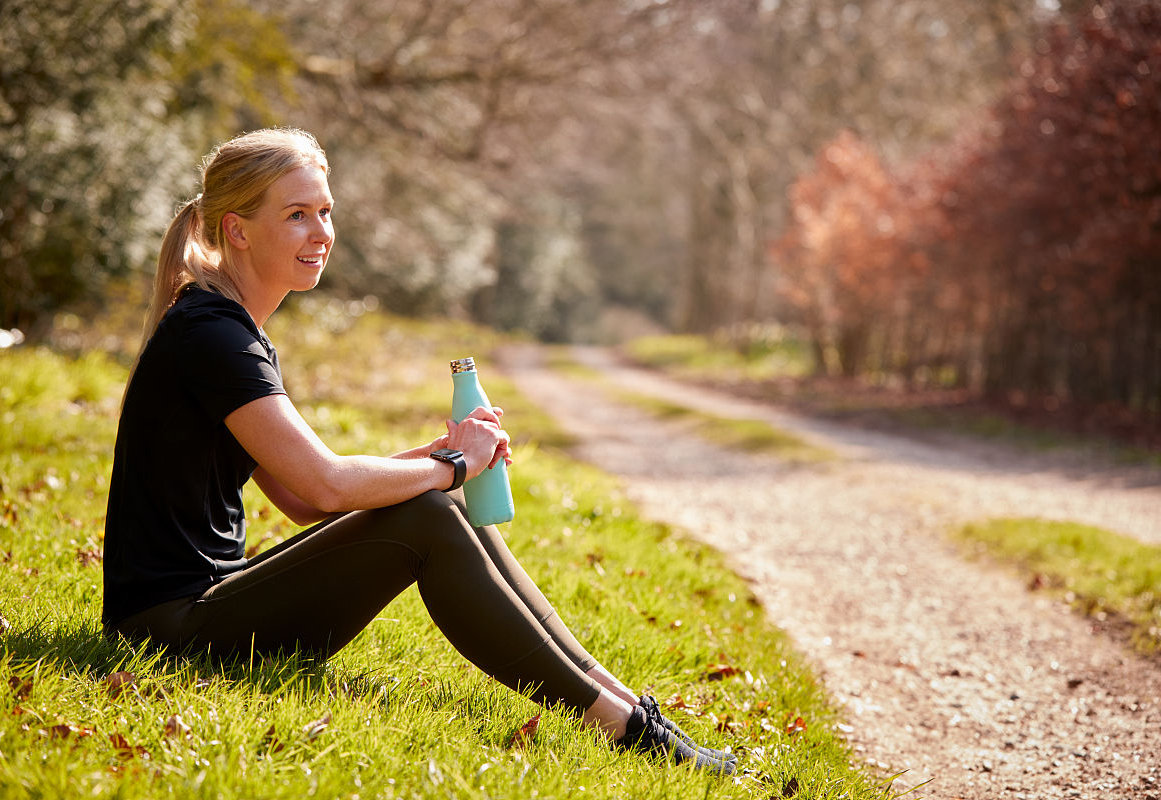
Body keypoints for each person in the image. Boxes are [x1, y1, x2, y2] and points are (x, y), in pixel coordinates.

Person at [100, 127, 736, 775]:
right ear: (237, 230)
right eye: (296, 215)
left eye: (325, 211)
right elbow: (324, 485)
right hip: (167, 631)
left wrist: (439, 455)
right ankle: (621, 726)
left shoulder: (227, 327)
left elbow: (296, 498)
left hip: (198, 608)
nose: (321, 232)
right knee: (432, 509)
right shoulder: (214, 336)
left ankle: (626, 705)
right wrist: (453, 465)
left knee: (439, 501)